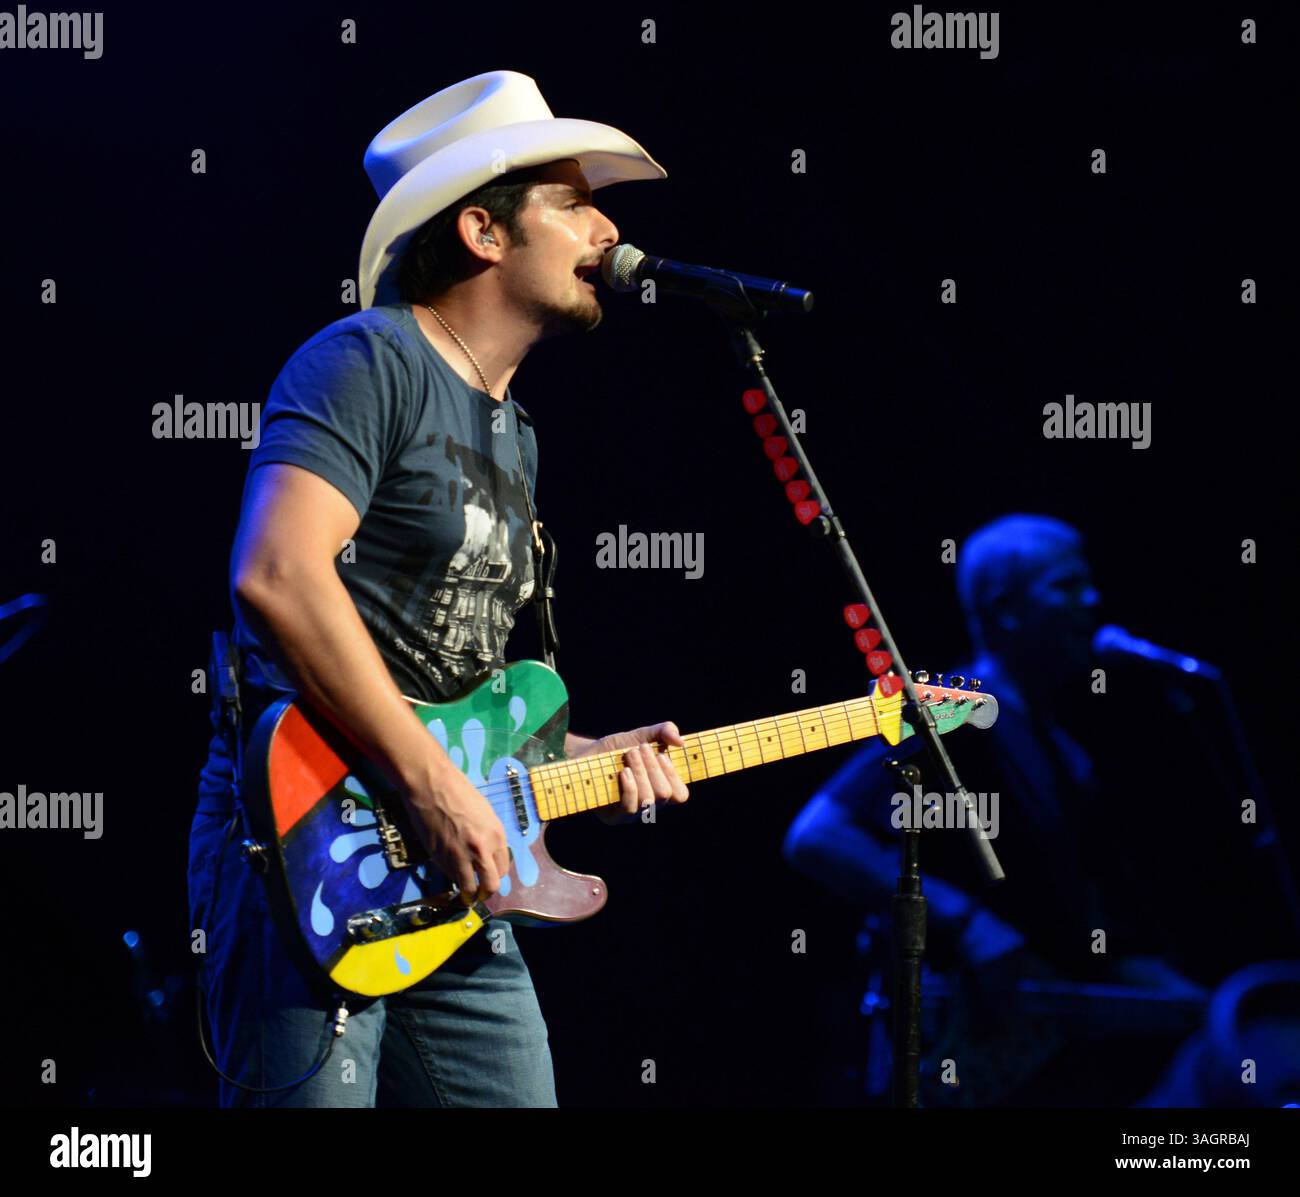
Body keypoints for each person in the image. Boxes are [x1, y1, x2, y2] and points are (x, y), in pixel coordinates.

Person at [188, 71, 690, 1108]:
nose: (606, 227)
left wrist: (585, 760)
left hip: (452, 865)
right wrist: (426, 781)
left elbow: (455, 684)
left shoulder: (519, 434)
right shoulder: (366, 361)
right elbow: (276, 574)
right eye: (571, 200)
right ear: (482, 232)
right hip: (309, 837)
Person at [783, 514, 1249, 1106]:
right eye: (1066, 586)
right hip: (960, 1048)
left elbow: (1086, 931)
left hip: (1048, 1056)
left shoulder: (1066, 750)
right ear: (1004, 610)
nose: (1092, 601)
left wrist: (1208, 1013)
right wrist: (971, 925)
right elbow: (818, 835)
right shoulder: (958, 708)